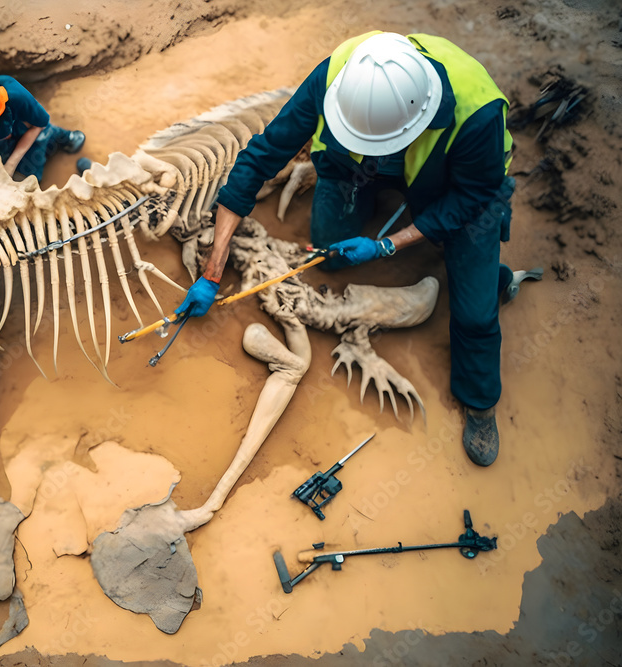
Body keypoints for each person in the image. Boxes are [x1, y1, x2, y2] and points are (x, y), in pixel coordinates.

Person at [179, 31, 540, 467]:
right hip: (359, 168)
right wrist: (213, 269)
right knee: (329, 249)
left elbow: (468, 199)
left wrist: (387, 244)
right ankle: (385, 193)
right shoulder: (338, 76)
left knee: (476, 310)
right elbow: (261, 157)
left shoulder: (478, 115)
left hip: (463, 186)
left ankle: (479, 398)